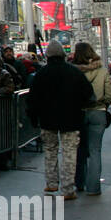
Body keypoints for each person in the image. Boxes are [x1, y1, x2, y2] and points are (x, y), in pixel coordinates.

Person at [27, 40, 94, 201]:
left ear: (48, 55)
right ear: (63, 55)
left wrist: (34, 118)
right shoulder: (74, 72)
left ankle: (51, 183)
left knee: (50, 150)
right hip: (71, 119)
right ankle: (67, 188)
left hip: (47, 119)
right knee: (69, 152)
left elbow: (33, 99)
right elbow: (88, 94)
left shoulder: (41, 74)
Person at [73, 41, 111, 196]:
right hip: (98, 111)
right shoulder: (103, 71)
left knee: (79, 149)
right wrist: (104, 103)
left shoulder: (74, 71)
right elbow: (110, 93)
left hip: (79, 113)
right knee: (95, 150)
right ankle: (94, 187)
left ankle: (80, 183)